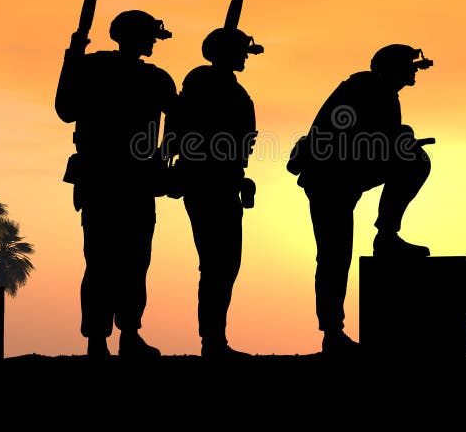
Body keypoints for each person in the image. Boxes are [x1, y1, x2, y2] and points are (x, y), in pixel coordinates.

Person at [286, 44, 434, 357]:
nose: (414, 70)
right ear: (393, 67)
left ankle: (387, 236)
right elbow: (345, 136)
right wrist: (396, 138)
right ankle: (332, 333)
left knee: (415, 160)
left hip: (349, 173)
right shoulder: (364, 88)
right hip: (329, 179)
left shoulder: (381, 92)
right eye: (409, 64)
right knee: (334, 256)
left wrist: (398, 138)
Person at [55, 9, 176, 359]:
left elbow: (177, 122)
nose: (154, 41)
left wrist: (162, 157)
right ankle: (106, 338)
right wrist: (73, 58)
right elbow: (66, 109)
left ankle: (117, 336)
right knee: (116, 259)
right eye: (150, 36)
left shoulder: (102, 70)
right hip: (113, 177)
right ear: (136, 37)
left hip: (120, 178)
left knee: (122, 259)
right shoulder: (140, 76)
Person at [164, 27, 263, 360]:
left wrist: (240, 179)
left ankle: (215, 338)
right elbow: (183, 132)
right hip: (205, 181)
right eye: (240, 50)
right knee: (217, 263)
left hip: (226, 179)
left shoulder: (228, 87)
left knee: (226, 263)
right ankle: (213, 341)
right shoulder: (203, 84)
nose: (245, 56)